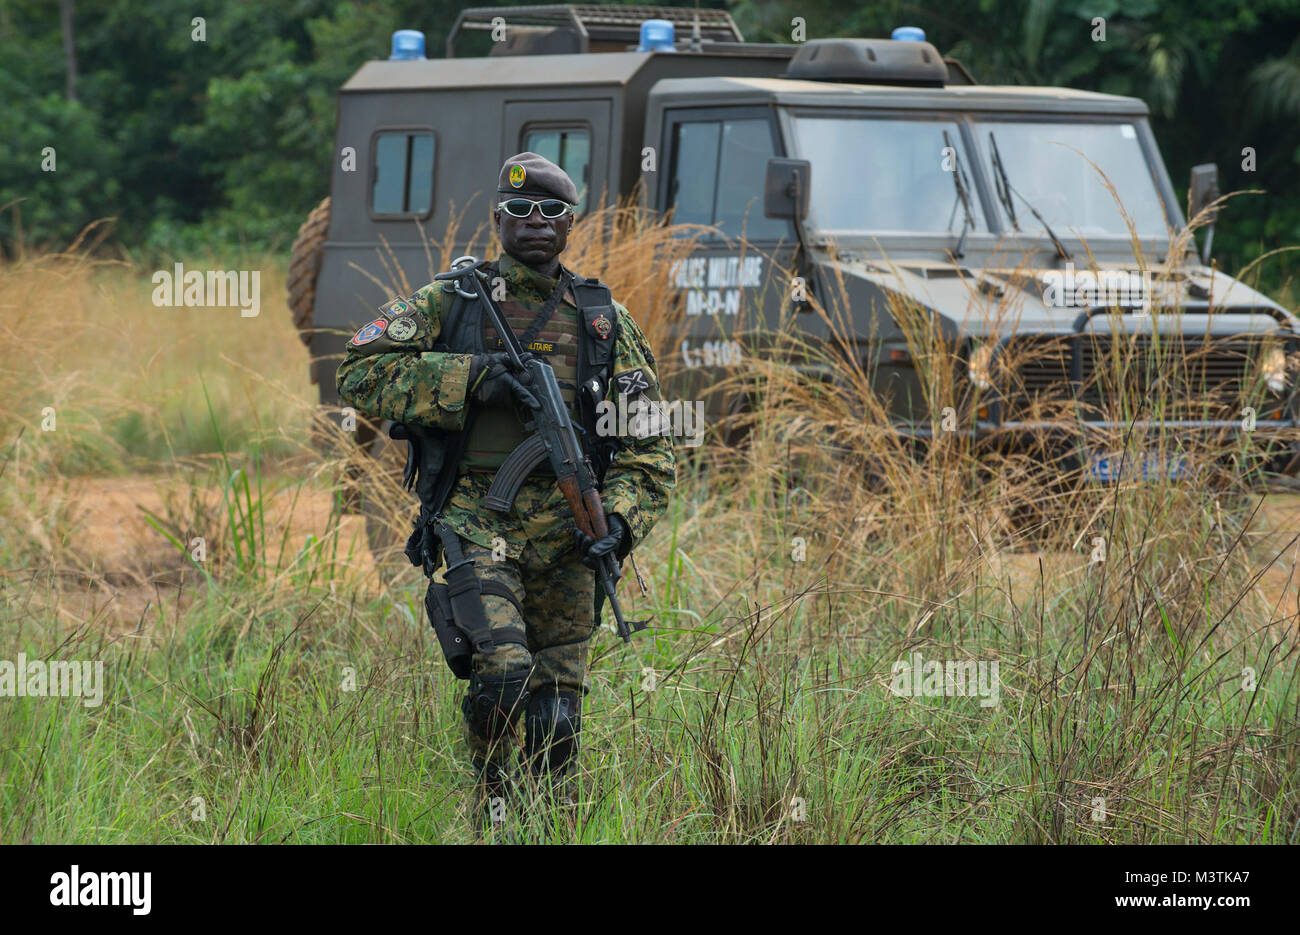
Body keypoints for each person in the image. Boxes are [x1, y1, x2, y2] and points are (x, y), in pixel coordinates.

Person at [336, 152, 675, 809]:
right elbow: (359, 368)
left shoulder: (603, 321)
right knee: (502, 680)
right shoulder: (454, 302)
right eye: (519, 211)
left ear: (571, 223)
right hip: (477, 522)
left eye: (550, 212)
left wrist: (623, 521)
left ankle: (545, 822)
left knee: (558, 720)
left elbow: (650, 448)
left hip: (574, 539)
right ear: (497, 219)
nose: (535, 224)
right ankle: (490, 803)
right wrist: (469, 378)